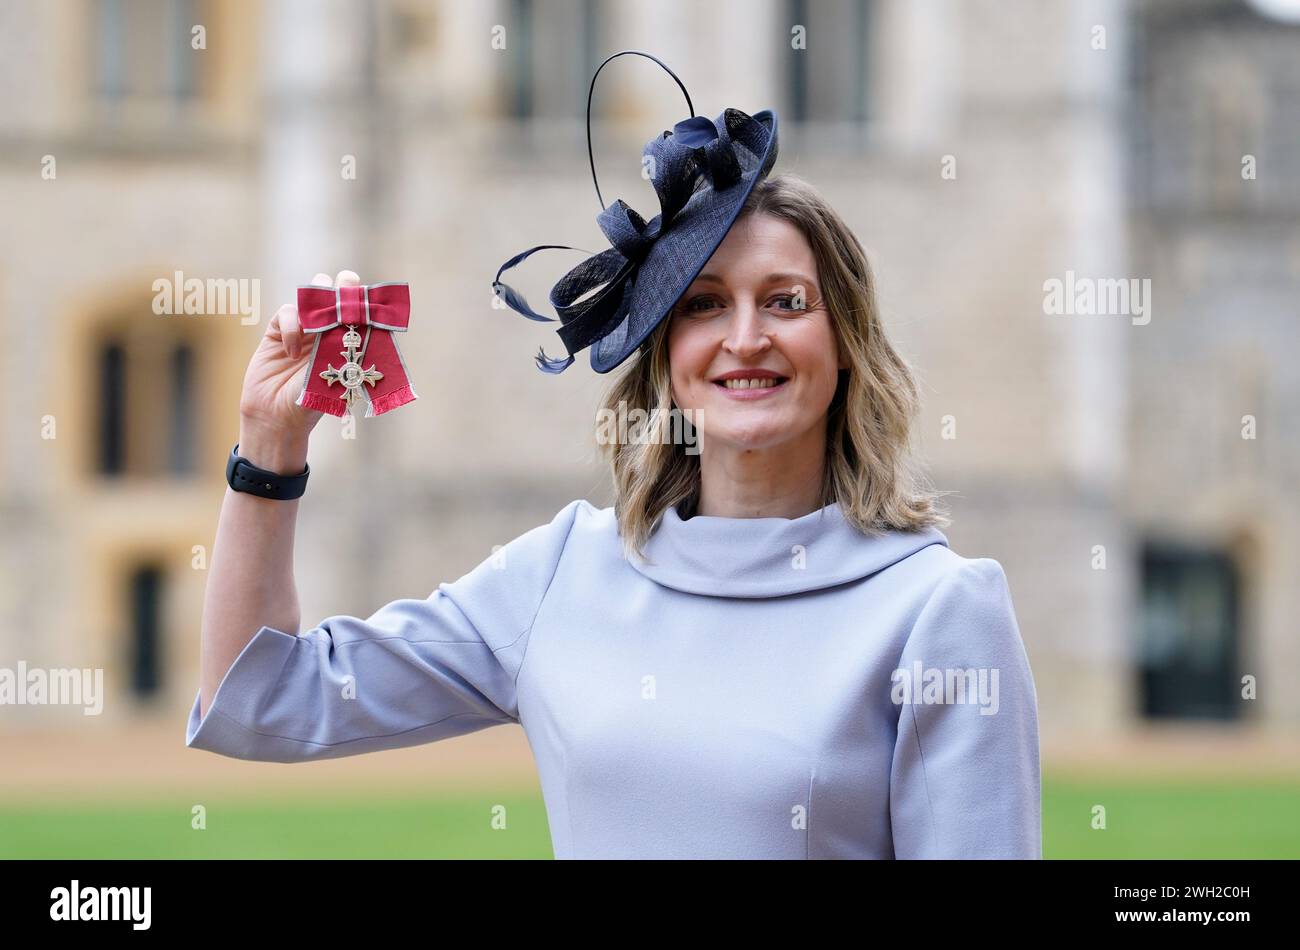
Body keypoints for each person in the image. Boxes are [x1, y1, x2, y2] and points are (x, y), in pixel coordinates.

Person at [187, 55, 1041, 859]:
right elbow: (259, 702)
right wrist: (271, 446)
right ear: (664, 350)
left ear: (845, 340)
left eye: (785, 301)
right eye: (704, 306)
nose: (746, 339)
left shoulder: (935, 609)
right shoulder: (561, 575)